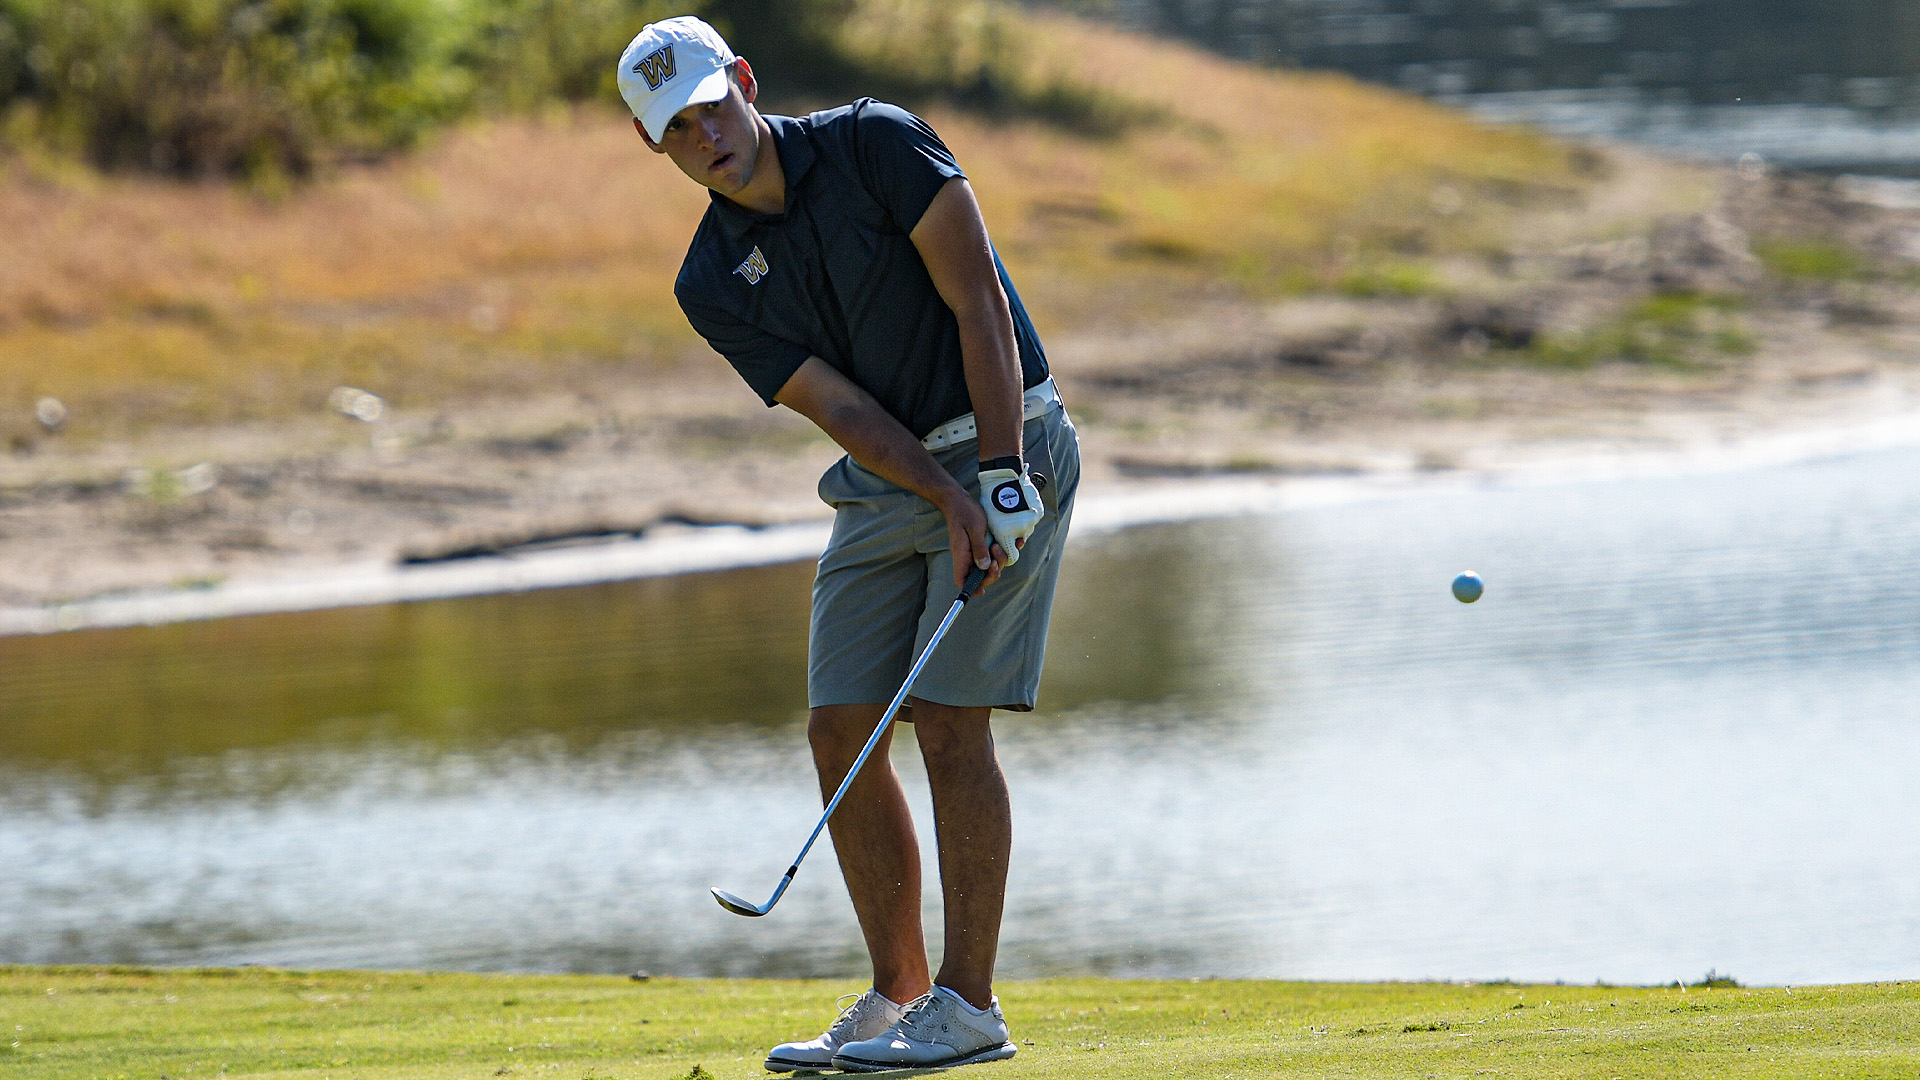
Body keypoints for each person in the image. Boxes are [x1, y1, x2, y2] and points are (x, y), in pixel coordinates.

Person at [616, 14, 1079, 1074]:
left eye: (709, 107)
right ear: (654, 148)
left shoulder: (876, 140)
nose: (704, 136)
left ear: (742, 79)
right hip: (889, 477)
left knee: (949, 720)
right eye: (674, 129)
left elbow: (980, 309)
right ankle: (897, 992)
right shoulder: (708, 282)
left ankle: (968, 1007)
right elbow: (844, 411)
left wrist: (997, 479)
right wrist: (935, 494)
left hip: (1009, 436)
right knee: (842, 729)